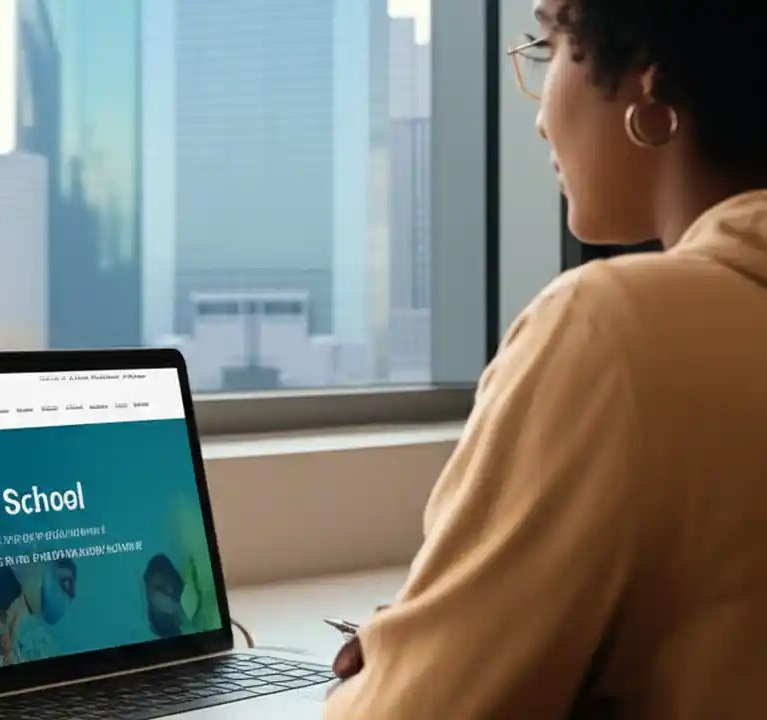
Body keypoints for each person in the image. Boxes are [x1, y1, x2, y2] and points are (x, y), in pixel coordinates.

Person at [327, 0, 767, 717]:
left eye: (553, 43)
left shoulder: (611, 329)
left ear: (649, 87)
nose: (536, 115)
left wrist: (401, 672)